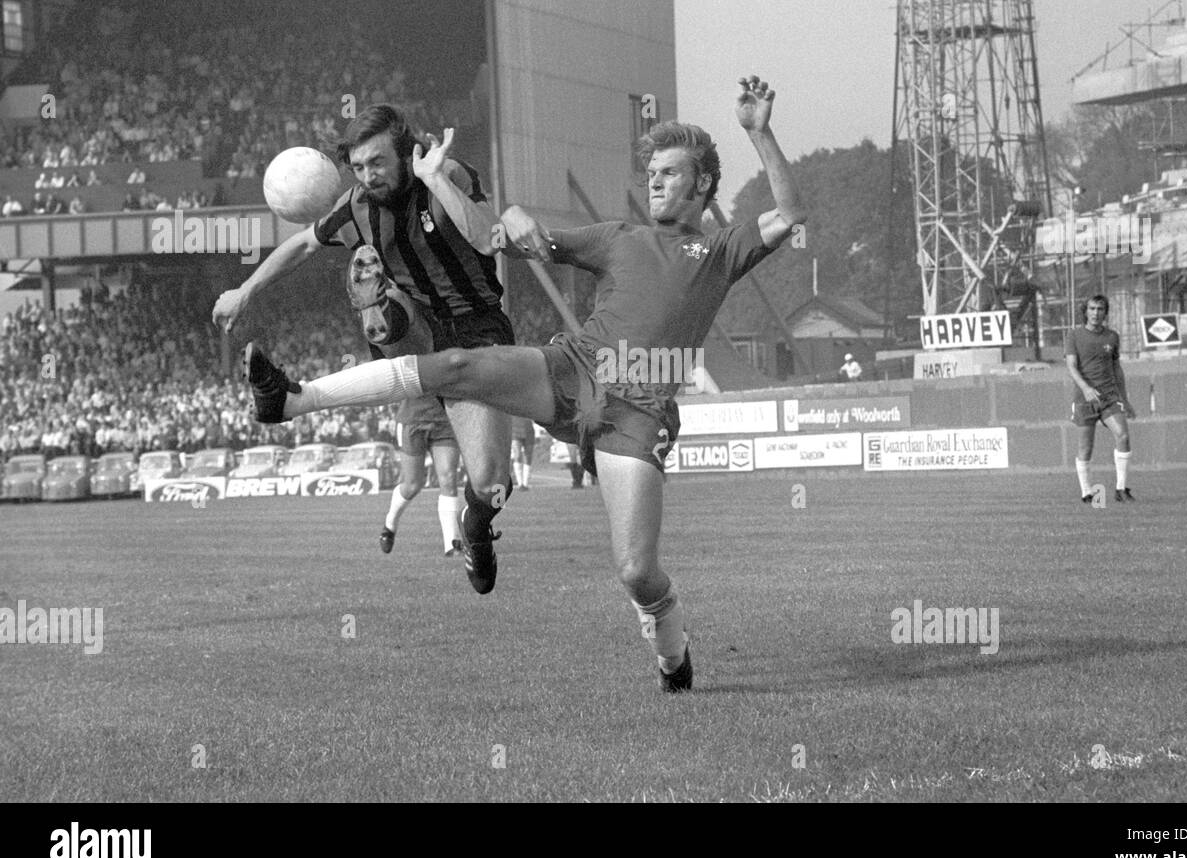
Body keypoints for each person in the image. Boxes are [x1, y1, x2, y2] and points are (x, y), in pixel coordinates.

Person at [242, 76, 805, 693]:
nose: (655, 181)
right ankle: (295, 398)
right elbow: (512, 239)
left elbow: (790, 216)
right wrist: (512, 219)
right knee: (458, 364)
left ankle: (673, 657)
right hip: (572, 369)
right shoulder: (619, 237)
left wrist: (759, 132)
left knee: (637, 571)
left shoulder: (720, 248)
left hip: (638, 409)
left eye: (669, 173)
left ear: (701, 183)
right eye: (652, 172)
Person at [214, 103, 516, 592]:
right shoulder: (355, 206)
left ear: (405, 153)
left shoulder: (447, 172)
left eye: (377, 162)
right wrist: (245, 290)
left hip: (480, 328)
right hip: (420, 323)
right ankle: (303, 388)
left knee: (490, 483)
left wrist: (436, 178)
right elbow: (303, 245)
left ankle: (476, 529)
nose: (368, 175)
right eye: (358, 167)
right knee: (372, 281)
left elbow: (488, 240)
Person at [346, 243, 464, 558]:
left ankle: (451, 543)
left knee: (448, 478)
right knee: (410, 486)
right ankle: (389, 526)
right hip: (412, 414)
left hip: (442, 410)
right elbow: (386, 330)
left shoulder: (425, 303)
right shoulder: (397, 312)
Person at [1065, 294, 1136, 503]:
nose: (1096, 313)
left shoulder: (1112, 337)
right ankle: (1087, 492)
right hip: (1084, 398)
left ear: (1106, 312)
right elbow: (1071, 366)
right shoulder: (1074, 336)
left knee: (1123, 435)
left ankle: (1121, 489)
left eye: (1100, 309)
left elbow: (1117, 368)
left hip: (1109, 397)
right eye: (1092, 309)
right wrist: (1086, 388)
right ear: (1085, 311)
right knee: (1086, 447)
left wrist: (1125, 399)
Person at [510, 415, 535, 491]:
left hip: (529, 430)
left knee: (528, 456)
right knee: (517, 455)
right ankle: (520, 483)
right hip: (515, 431)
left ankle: (525, 483)